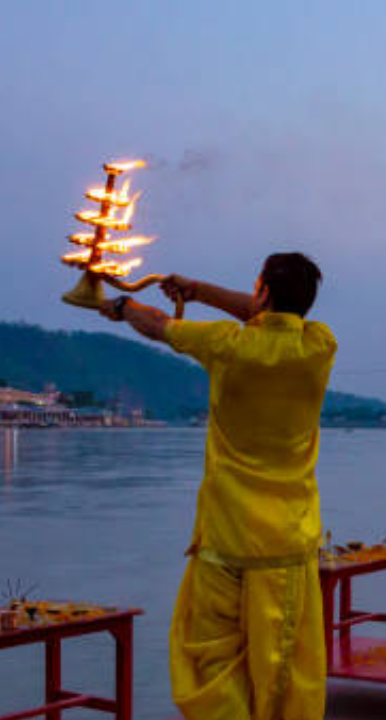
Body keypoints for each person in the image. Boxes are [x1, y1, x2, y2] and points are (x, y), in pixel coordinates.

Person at [102, 253, 333, 720]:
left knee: (210, 655)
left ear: (263, 291)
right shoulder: (318, 347)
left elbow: (157, 325)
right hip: (285, 539)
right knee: (282, 666)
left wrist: (122, 307)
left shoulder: (225, 343)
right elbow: (265, 315)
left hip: (224, 534)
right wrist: (198, 289)